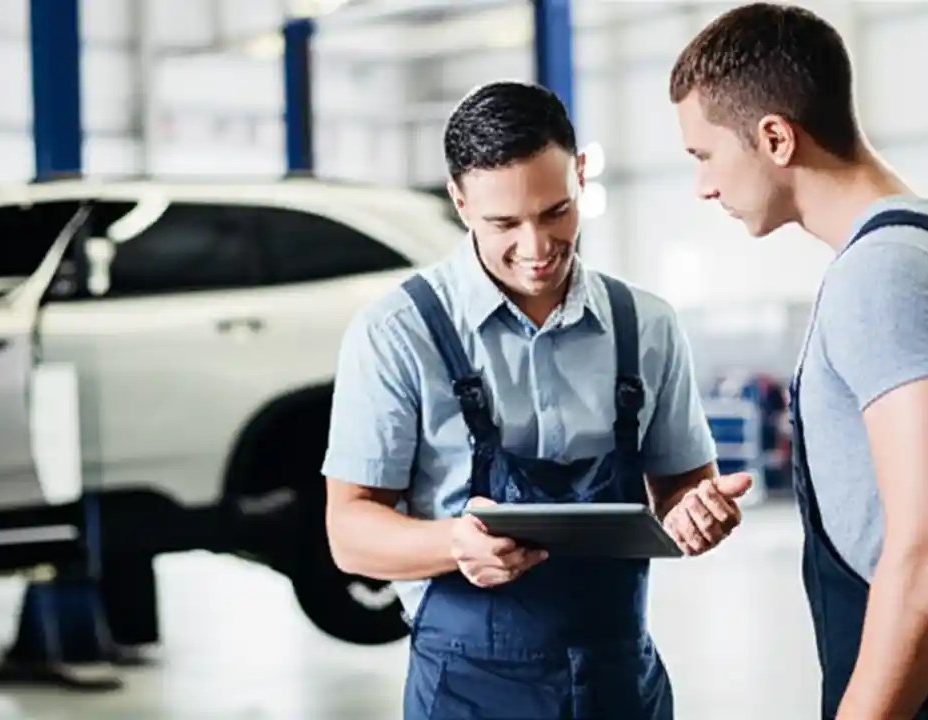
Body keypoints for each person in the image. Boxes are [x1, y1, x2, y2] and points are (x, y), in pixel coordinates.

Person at [669, 4, 928, 719]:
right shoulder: (924, 246)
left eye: (703, 155)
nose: (702, 187)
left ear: (774, 138)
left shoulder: (886, 275)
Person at [321, 80, 752, 719]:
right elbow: (350, 533)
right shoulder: (397, 335)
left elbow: (683, 486)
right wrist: (455, 545)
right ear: (460, 202)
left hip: (620, 683)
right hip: (470, 691)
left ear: (580, 176)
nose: (536, 247)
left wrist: (697, 512)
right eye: (504, 223)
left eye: (556, 211)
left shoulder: (648, 327)